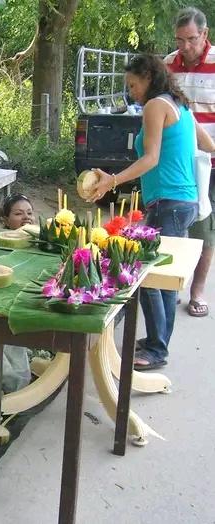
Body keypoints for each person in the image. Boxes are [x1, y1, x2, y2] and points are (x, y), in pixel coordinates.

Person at [90, 53, 215, 371]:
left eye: (133, 84)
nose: (131, 91)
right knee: (165, 276)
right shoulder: (180, 106)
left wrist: (112, 180)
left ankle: (157, 349)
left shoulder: (155, 106)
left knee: (147, 275)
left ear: (148, 78)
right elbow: (208, 144)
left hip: (168, 203)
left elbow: (152, 158)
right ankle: (156, 342)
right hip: (183, 202)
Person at [164, 7, 215, 317]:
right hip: (178, 162)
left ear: (205, 35)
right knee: (172, 224)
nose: (185, 46)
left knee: (205, 228)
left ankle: (197, 291)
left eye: (191, 39)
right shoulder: (169, 64)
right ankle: (171, 286)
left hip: (211, 162)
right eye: (180, 40)